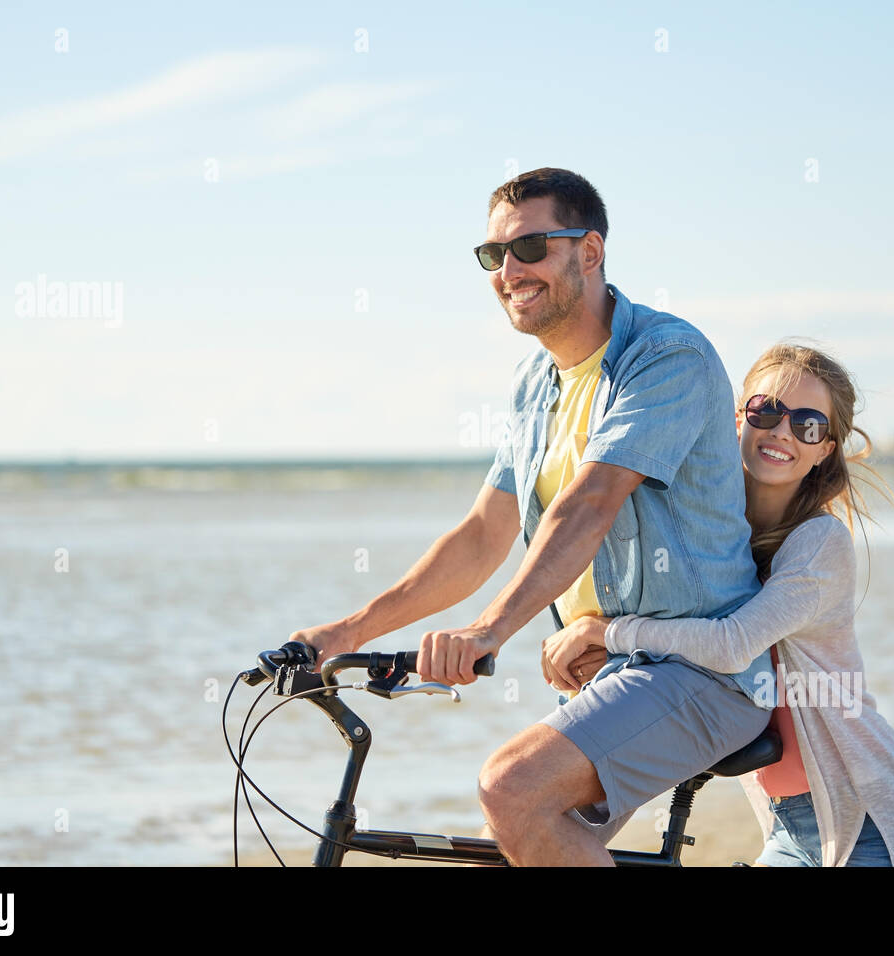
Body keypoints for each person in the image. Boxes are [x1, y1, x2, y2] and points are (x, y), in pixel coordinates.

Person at [290, 167, 774, 866]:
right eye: (494, 255)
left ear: (590, 252)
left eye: (531, 247)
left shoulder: (666, 356)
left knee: (511, 788)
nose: (509, 269)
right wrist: (344, 632)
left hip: (704, 673)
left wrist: (489, 631)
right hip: (611, 670)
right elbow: (484, 532)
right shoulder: (534, 383)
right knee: (518, 841)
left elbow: (592, 502)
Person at [542, 342, 894, 866]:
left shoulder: (819, 542)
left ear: (825, 448)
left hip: (870, 828)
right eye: (767, 411)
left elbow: (733, 646)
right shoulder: (710, 539)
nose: (782, 432)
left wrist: (608, 631)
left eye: (807, 425)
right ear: (738, 418)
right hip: (788, 830)